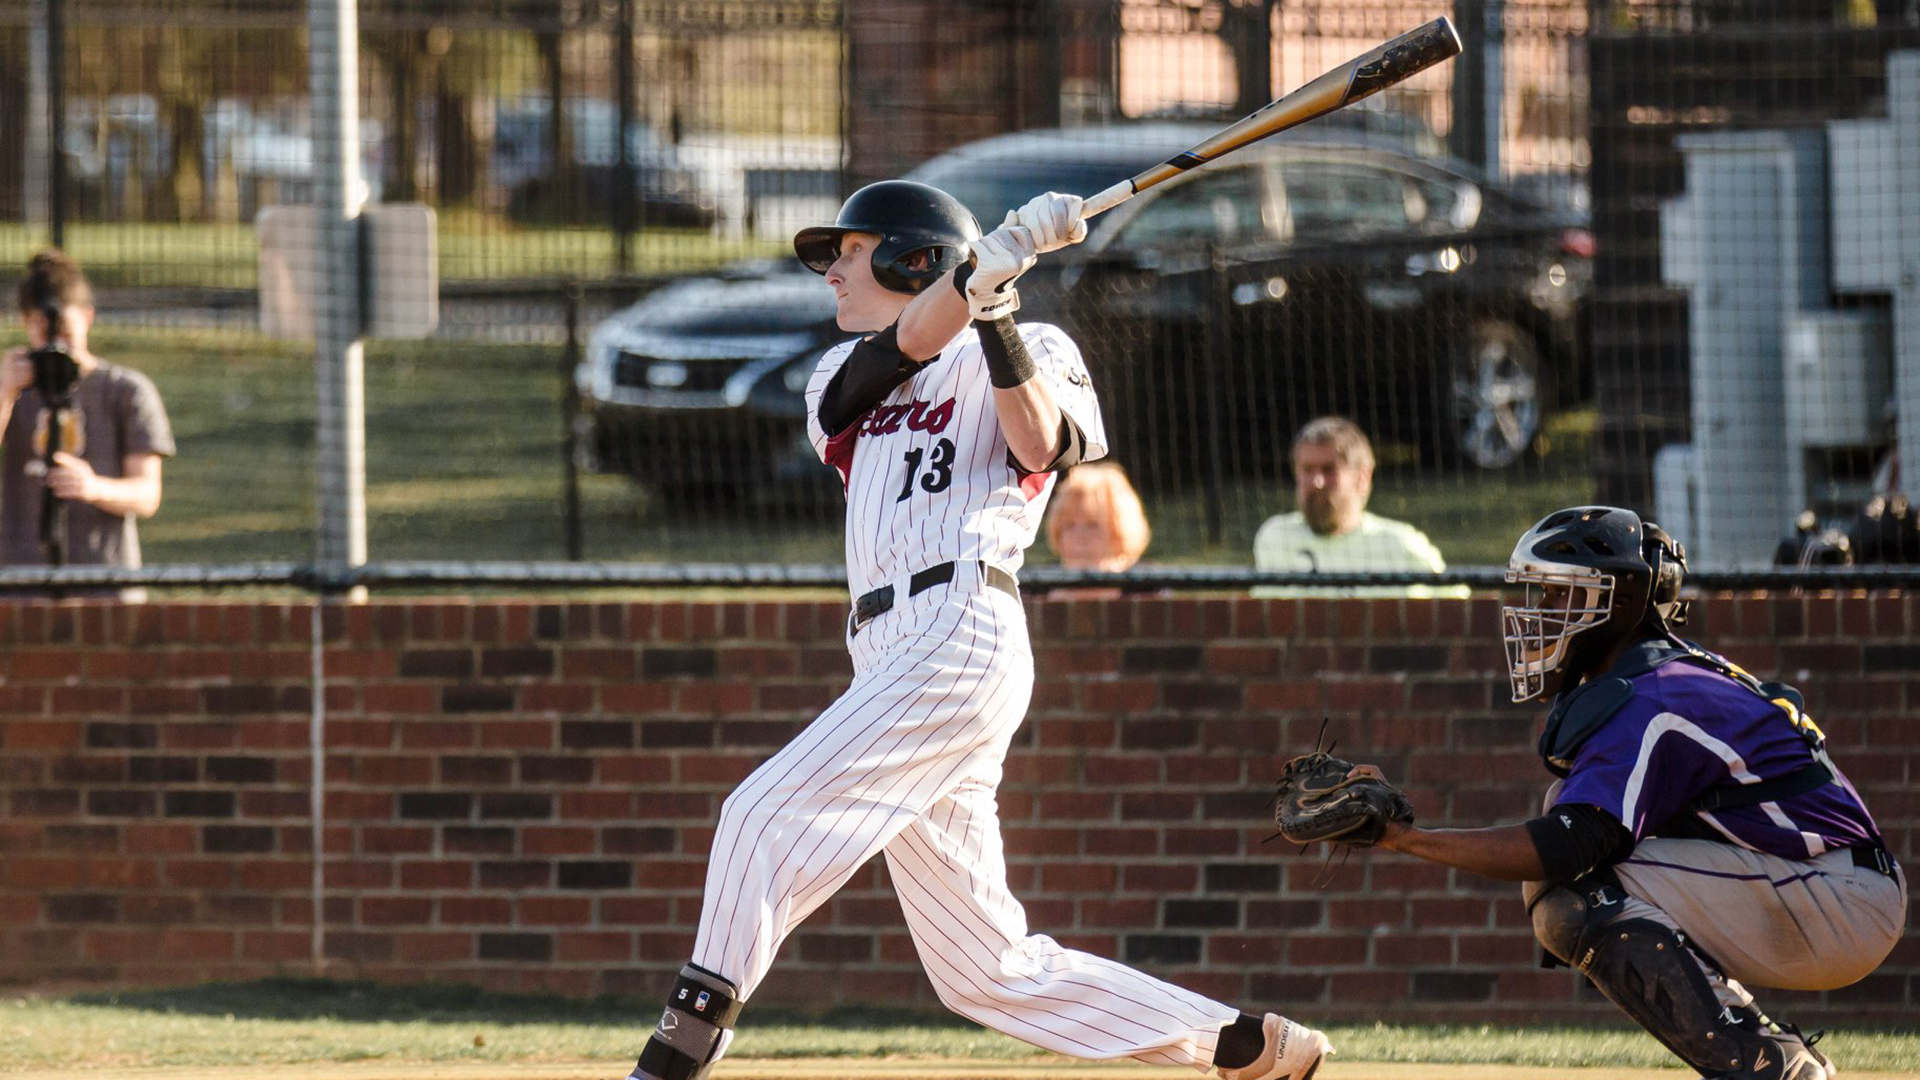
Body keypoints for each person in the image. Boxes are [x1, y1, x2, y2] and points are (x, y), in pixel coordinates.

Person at [622, 181, 1332, 1080]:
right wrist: (977, 281)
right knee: (982, 969)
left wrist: (993, 313)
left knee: (760, 815)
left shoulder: (1038, 344)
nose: (831, 270)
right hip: (885, 650)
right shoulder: (834, 377)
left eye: (849, 249)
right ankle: (1244, 1045)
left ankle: (671, 1060)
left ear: (910, 255)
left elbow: (1045, 448)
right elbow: (902, 351)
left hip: (960, 625)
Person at [1348, 505, 1904, 1080]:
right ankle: (1769, 1052)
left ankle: (1768, 1065)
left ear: (1619, 604)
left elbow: (1569, 847)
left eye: (1560, 595)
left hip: (1841, 897)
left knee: (1573, 889)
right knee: (1566, 819)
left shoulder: (1654, 697)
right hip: (1825, 882)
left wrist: (1404, 839)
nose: (1539, 613)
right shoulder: (1657, 677)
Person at [0, 250, 173, 592]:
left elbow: (148, 495)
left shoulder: (126, 391)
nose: (54, 341)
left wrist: (93, 487)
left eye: (63, 327)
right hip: (20, 584)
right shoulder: (12, 387)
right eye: (41, 328)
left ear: (88, 317)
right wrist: (5, 393)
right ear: (25, 321)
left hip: (105, 582)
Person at [1250, 416, 1464, 598]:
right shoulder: (1275, 538)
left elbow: (1461, 611)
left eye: (1328, 470)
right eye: (1307, 470)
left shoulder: (1400, 545)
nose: (1316, 482)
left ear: (1361, 479)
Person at [1041, 461, 1152, 596]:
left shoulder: (1147, 587)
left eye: (1093, 525)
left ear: (1120, 530)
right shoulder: (1037, 586)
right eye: (1069, 525)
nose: (1079, 536)